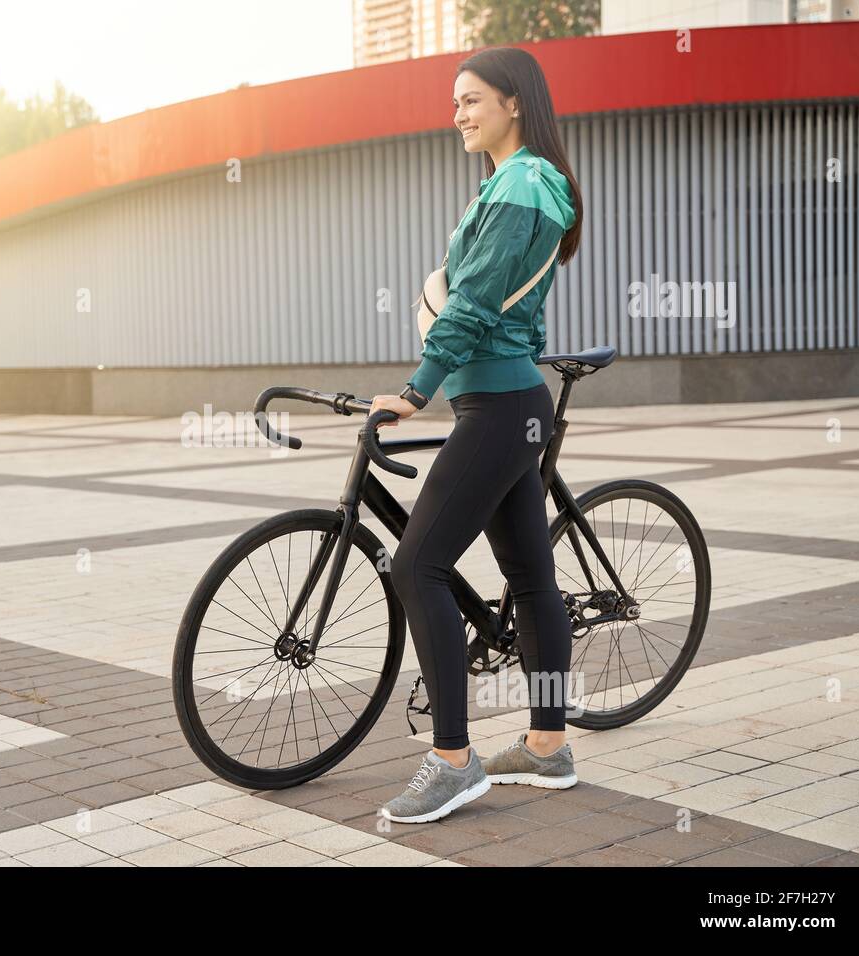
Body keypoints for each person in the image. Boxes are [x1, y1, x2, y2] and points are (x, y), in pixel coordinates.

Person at [374, 47, 585, 824]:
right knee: (531, 579)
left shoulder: (524, 184)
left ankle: (454, 762)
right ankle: (546, 745)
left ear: (513, 103)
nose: (458, 113)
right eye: (454, 102)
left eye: (471, 100)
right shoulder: (510, 182)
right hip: (503, 405)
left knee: (417, 566)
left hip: (497, 407)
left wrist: (413, 391)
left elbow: (474, 302)